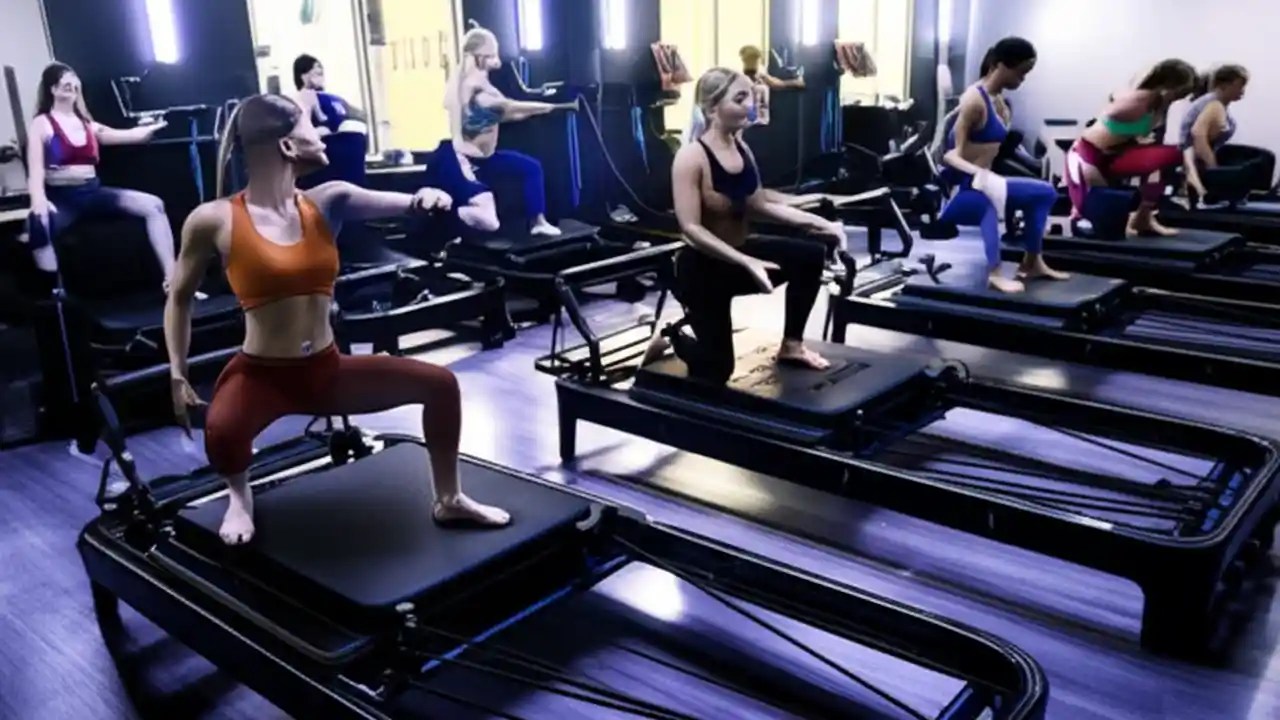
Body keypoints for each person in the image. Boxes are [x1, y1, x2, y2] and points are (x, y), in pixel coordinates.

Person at [164, 93, 510, 545]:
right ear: (287, 145)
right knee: (222, 431)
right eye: (311, 126)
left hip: (326, 370)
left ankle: (450, 499)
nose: (323, 135)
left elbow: (408, 203)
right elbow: (179, 299)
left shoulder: (329, 199)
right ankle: (239, 498)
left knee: (440, 385)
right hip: (262, 376)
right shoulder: (214, 220)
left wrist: (426, 197)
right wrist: (177, 374)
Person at [648, 67, 846, 384]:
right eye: (740, 99)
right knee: (716, 371)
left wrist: (820, 223)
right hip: (703, 271)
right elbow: (691, 229)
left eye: (750, 98)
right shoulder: (691, 158)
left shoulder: (742, 149)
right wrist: (747, 261)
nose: (750, 106)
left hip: (741, 256)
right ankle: (672, 335)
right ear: (712, 108)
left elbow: (759, 205)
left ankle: (792, 345)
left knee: (810, 255)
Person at [25, 62, 177, 291]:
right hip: (62, 198)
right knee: (38, 224)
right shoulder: (42, 124)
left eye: (73, 82)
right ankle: (55, 295)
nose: (70, 86)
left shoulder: (88, 125)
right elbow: (35, 168)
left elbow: (130, 136)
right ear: (52, 90)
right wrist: (38, 200)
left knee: (154, 205)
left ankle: (173, 281)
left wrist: (151, 127)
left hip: (92, 193)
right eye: (64, 83)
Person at [940, 37, 1066, 293]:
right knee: (987, 202)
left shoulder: (998, 102)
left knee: (1045, 192)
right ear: (1000, 66)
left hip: (985, 183)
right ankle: (995, 273)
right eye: (1020, 72)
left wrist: (990, 178)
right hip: (965, 192)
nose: (1023, 79)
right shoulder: (974, 100)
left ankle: (1032, 262)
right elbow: (951, 156)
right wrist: (981, 175)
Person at [438, 27, 576, 237]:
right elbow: (507, 107)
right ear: (479, 56)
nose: (497, 61)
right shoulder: (472, 85)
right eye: (492, 55)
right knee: (484, 208)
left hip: (484, 158)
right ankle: (453, 227)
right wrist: (549, 107)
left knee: (530, 168)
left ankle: (537, 222)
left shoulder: (466, 83)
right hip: (468, 162)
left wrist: (534, 111)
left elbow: (498, 115)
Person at [1065, 58, 1199, 236]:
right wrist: (1132, 135)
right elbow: (1108, 117)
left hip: (1115, 155)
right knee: (1099, 225)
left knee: (1171, 157)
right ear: (1169, 85)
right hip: (1088, 156)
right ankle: (1083, 214)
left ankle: (1143, 218)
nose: (1182, 97)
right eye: (1182, 91)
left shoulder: (1159, 104)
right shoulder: (1140, 99)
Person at [1179, 64, 1249, 197]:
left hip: (1200, 153)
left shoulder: (1218, 104)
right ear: (1224, 85)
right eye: (1239, 86)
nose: (1242, 91)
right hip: (1193, 158)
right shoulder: (1214, 105)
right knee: (1259, 160)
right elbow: (1198, 136)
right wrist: (1213, 167)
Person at [290, 53, 370, 137]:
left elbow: (360, 114)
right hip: (329, 138)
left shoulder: (335, 98)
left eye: (321, 73)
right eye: (317, 73)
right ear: (304, 76)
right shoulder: (303, 97)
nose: (319, 70)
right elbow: (305, 124)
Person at [738, 45, 803, 127]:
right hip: (750, 120)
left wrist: (796, 83)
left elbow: (777, 83)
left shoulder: (760, 73)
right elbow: (776, 84)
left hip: (759, 120)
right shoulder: (742, 77)